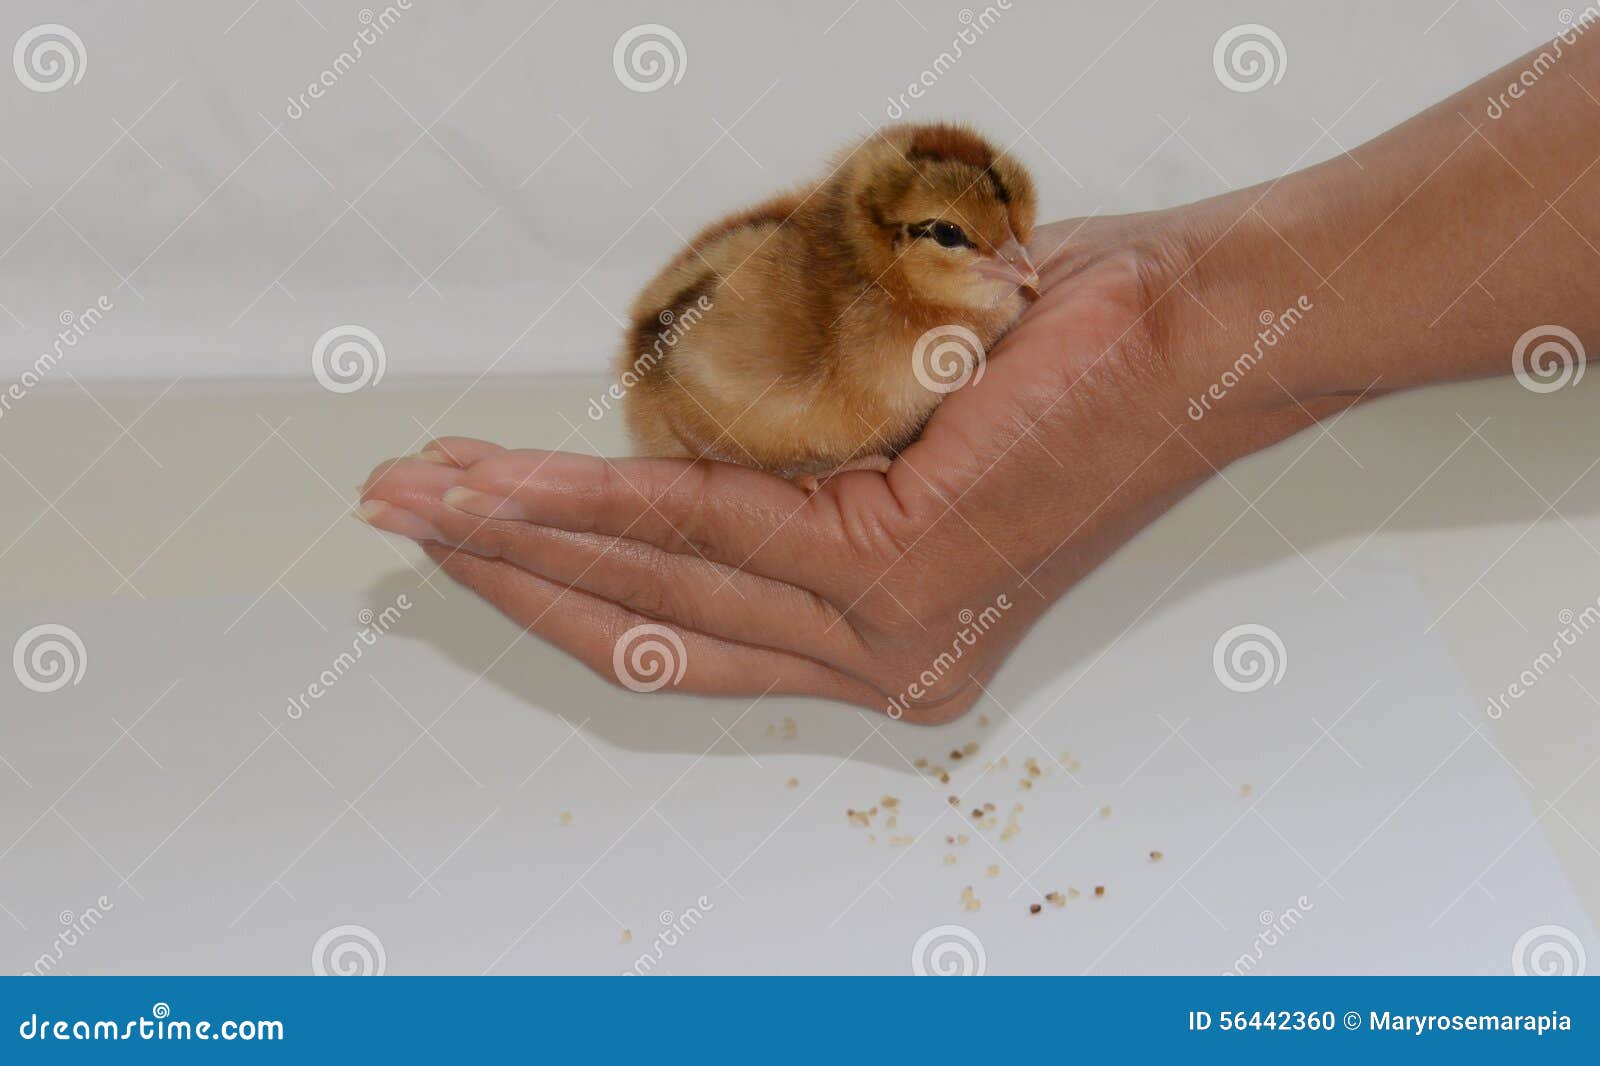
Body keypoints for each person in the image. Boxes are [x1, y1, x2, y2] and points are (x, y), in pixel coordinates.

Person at [358, 32, 1598, 723]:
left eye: (1020, 233)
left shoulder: (937, 299)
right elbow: (703, 355)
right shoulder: (820, 312)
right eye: (960, 242)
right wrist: (1180, 311)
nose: (1015, 268)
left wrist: (1184, 322)